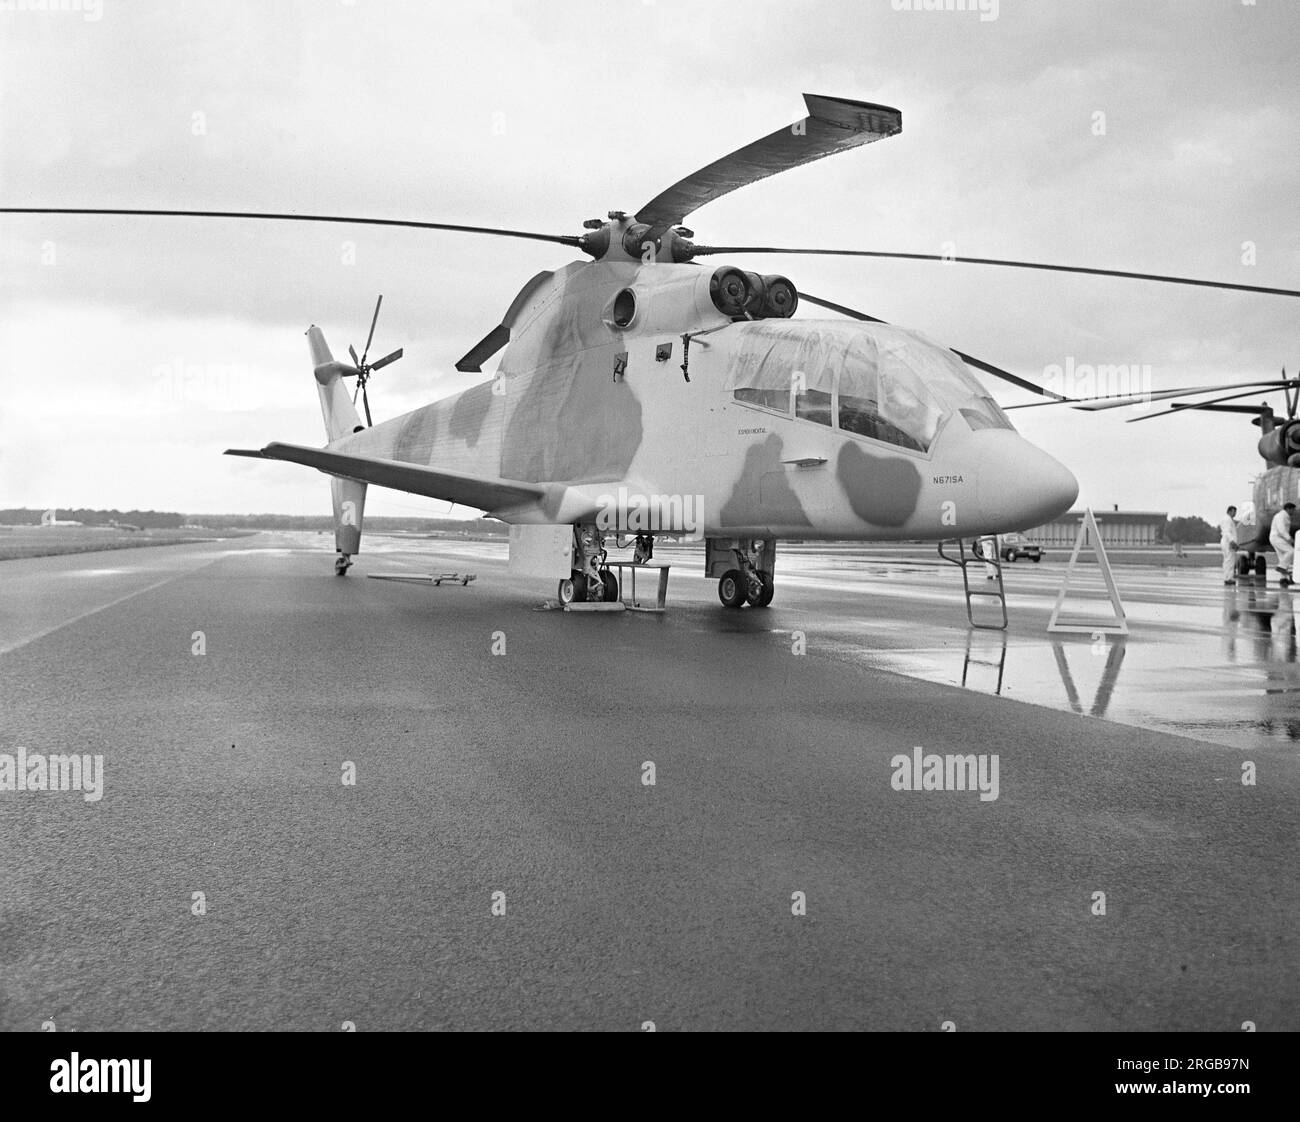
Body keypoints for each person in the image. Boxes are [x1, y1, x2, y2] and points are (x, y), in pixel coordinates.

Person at [1269, 502, 1296, 587]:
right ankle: (1281, 567)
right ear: (1288, 509)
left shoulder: (1284, 516)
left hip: (1278, 538)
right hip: (1277, 538)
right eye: (1293, 509)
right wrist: (1290, 539)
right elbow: (1281, 529)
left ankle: (1283, 579)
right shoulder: (1281, 516)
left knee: (1283, 558)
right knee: (1291, 551)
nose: (1293, 511)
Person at [1219, 505, 1239, 585]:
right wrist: (1232, 541)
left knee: (1227, 560)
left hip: (1225, 541)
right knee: (1230, 561)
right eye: (1234, 512)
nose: (1235, 514)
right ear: (1230, 511)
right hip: (1228, 542)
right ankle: (1229, 578)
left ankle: (1227, 577)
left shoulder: (1226, 519)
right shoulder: (1228, 519)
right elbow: (1227, 532)